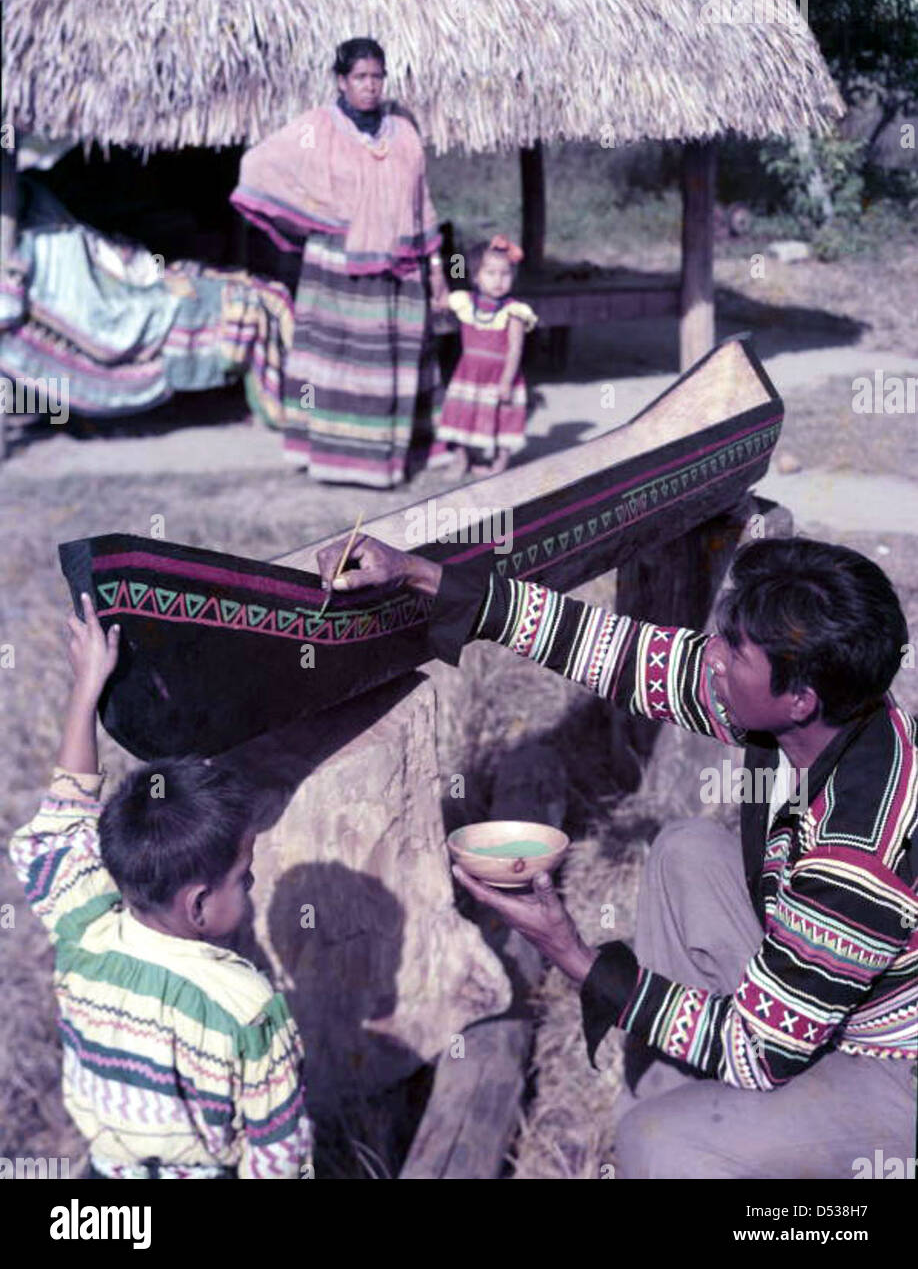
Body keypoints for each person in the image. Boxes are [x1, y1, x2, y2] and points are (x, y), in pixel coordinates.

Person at [314, 531, 918, 1179]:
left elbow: (757, 1050)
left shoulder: (857, 859)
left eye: (733, 649)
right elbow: (626, 656)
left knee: (661, 1144)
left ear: (799, 698)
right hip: (819, 1002)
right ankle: (671, 1113)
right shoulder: (823, 714)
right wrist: (420, 575)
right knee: (687, 853)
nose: (710, 656)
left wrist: (572, 954)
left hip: (886, 1068)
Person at [8, 594, 312, 1179]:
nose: (251, 885)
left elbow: (61, 821)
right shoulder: (248, 1009)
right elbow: (280, 1157)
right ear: (198, 904)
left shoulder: (80, 925)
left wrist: (86, 687)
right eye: (243, 877)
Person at [230, 36, 450, 488]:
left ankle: (391, 459)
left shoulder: (403, 131)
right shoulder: (318, 128)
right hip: (336, 269)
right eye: (360, 77)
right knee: (335, 365)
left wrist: (436, 267)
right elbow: (259, 166)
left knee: (392, 363)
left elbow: (420, 199)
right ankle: (330, 459)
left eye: (376, 77)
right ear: (341, 80)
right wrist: (320, 212)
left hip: (398, 270)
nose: (370, 86)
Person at [437, 235, 537, 476]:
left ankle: (499, 463)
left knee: (504, 418)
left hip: (500, 375)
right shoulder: (465, 302)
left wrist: (506, 381)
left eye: (505, 274)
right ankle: (461, 458)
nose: (498, 280)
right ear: (475, 276)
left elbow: (515, 349)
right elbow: (440, 300)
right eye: (490, 273)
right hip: (469, 374)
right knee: (462, 414)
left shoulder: (514, 311)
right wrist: (437, 265)